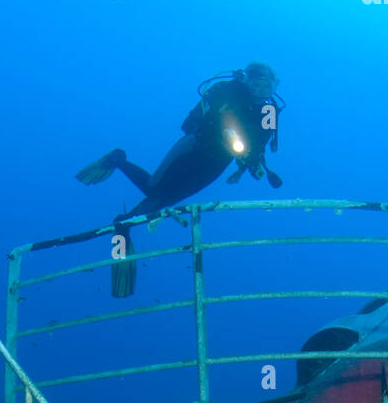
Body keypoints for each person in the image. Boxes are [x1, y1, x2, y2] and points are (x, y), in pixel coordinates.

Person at [76, 62, 284, 295]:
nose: (263, 90)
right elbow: (221, 115)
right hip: (193, 148)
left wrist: (254, 163)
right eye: (258, 83)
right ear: (248, 81)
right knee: (155, 188)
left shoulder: (269, 111)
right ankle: (119, 172)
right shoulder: (230, 90)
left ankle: (125, 222)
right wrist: (231, 135)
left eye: (269, 85)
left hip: (216, 164)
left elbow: (261, 142)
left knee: (166, 198)